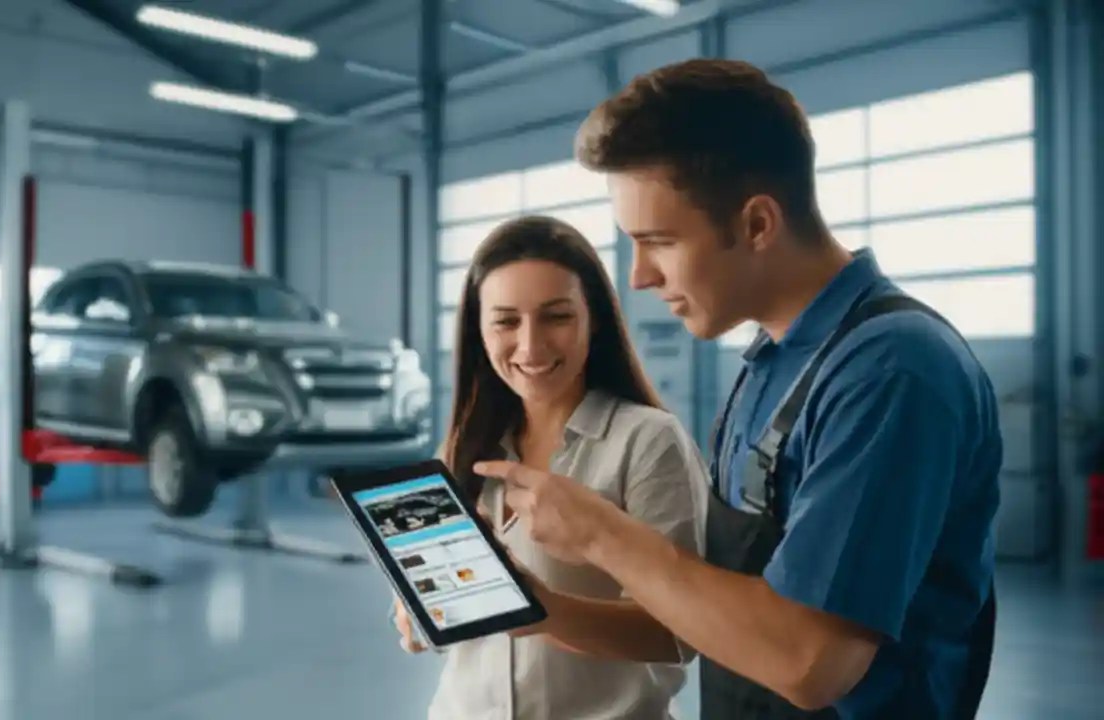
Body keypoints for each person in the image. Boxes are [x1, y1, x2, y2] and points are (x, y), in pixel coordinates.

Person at [473, 59, 1002, 720]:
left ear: (756, 224)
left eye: (658, 241)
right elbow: (708, 610)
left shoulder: (892, 371)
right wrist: (541, 606)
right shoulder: (767, 365)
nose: (638, 277)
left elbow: (807, 663)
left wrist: (602, 536)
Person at [393, 215, 710, 719]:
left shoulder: (648, 441)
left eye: (556, 317)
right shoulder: (463, 445)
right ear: (479, 330)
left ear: (594, 319)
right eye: (506, 321)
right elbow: (448, 616)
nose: (531, 345)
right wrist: (419, 609)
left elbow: (679, 633)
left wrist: (546, 613)